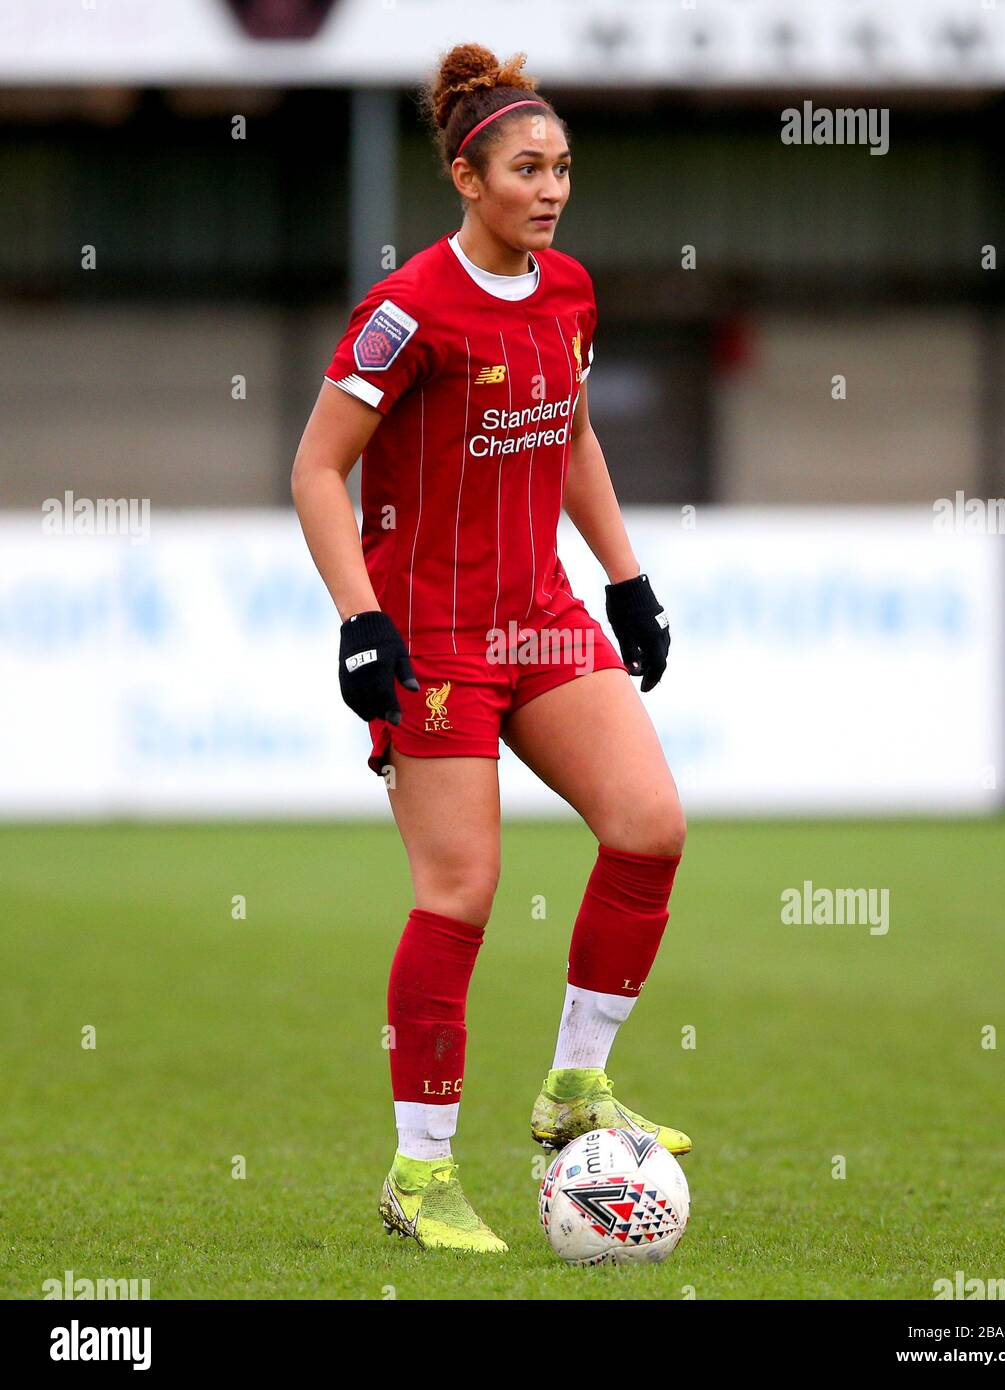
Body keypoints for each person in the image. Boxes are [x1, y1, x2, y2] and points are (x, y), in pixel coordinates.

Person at [291, 42, 688, 1253]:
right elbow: (315, 470)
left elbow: (567, 435)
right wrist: (360, 619)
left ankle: (573, 1085)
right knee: (461, 893)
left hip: (542, 613)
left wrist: (627, 580)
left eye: (563, 166)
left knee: (649, 825)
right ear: (469, 178)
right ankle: (418, 1175)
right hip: (436, 639)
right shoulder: (406, 307)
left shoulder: (568, 290)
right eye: (527, 168)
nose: (551, 187)